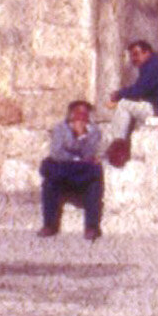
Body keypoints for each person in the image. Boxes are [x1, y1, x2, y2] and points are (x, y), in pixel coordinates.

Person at [102, 39, 158, 159]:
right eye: (131, 56)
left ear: (147, 52)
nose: (133, 59)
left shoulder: (153, 66)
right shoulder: (154, 65)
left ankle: (118, 145)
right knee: (130, 109)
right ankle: (122, 145)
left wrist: (119, 94)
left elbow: (138, 90)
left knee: (124, 104)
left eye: (136, 54)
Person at [38, 100, 106, 239]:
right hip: (62, 171)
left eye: (84, 113)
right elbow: (57, 153)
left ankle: (91, 227)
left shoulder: (93, 132)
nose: (81, 117)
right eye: (77, 113)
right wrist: (76, 156)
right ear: (71, 114)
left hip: (81, 174)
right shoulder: (59, 129)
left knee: (94, 176)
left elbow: (90, 154)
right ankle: (49, 225)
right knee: (49, 177)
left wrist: (82, 137)